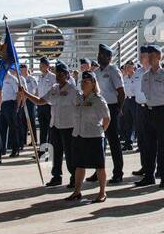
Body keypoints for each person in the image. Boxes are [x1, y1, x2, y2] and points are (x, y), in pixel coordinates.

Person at [28, 62, 79, 188]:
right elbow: (41, 101)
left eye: (61, 74)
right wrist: (26, 93)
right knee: (55, 152)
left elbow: (80, 107)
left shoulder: (73, 90)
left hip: (68, 126)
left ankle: (74, 177)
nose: (58, 77)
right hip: (55, 125)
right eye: (57, 74)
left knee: (70, 153)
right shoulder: (54, 88)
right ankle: (56, 176)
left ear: (67, 75)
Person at [134, 44, 164, 187]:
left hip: (162, 112)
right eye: (148, 56)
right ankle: (149, 176)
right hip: (148, 111)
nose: (150, 58)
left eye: (153, 56)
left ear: (159, 57)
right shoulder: (145, 76)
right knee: (148, 146)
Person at [68, 71, 112, 203]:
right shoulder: (79, 98)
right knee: (79, 165)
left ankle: (102, 192)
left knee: (99, 166)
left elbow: (107, 118)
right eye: (82, 82)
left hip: (94, 136)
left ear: (93, 84)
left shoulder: (98, 100)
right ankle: (77, 192)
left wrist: (101, 131)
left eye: (86, 82)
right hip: (79, 135)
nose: (83, 84)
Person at [94, 44, 126, 184]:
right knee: (98, 141)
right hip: (99, 108)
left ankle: (118, 172)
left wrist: (119, 109)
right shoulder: (96, 72)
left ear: (109, 57)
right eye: (99, 55)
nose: (99, 57)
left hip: (111, 108)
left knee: (113, 142)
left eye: (102, 55)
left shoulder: (113, 70)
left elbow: (121, 92)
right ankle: (98, 171)